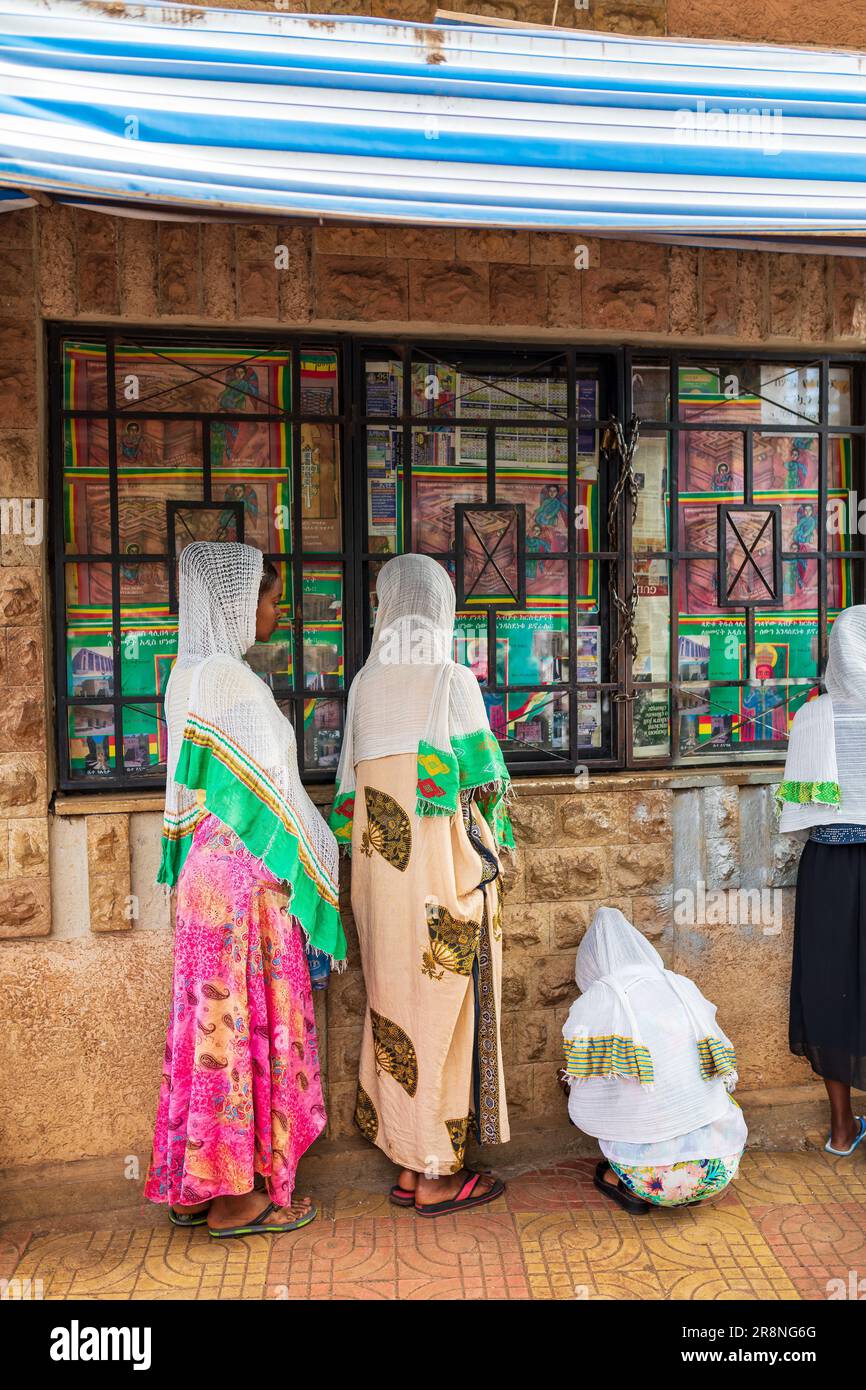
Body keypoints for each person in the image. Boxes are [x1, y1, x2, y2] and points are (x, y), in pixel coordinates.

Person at [144, 542, 345, 1237]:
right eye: (267, 596)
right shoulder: (231, 681)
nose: (277, 608)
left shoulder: (187, 675)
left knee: (206, 1028)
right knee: (234, 1031)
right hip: (242, 886)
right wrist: (323, 860)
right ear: (234, 602)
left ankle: (195, 1184)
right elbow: (278, 803)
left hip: (204, 878)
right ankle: (236, 1200)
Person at [330, 554, 513, 1216]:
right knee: (446, 1015)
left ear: (386, 610)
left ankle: (409, 1164)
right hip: (440, 881)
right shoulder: (451, 678)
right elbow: (485, 786)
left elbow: (349, 799)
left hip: (380, 888)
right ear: (440, 609)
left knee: (396, 1012)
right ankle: (436, 1173)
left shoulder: (363, 688)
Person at [562, 908, 747, 1212]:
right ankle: (690, 1180)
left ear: (590, 961)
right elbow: (723, 1068)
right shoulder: (680, 986)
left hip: (650, 1180)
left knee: (584, 1082)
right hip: (719, 1168)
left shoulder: (598, 1000)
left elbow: (585, 1110)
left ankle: (624, 1181)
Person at [777, 604, 866, 1156]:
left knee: (831, 987)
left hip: (835, 866)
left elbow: (806, 807)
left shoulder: (817, 716)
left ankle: (841, 1128)